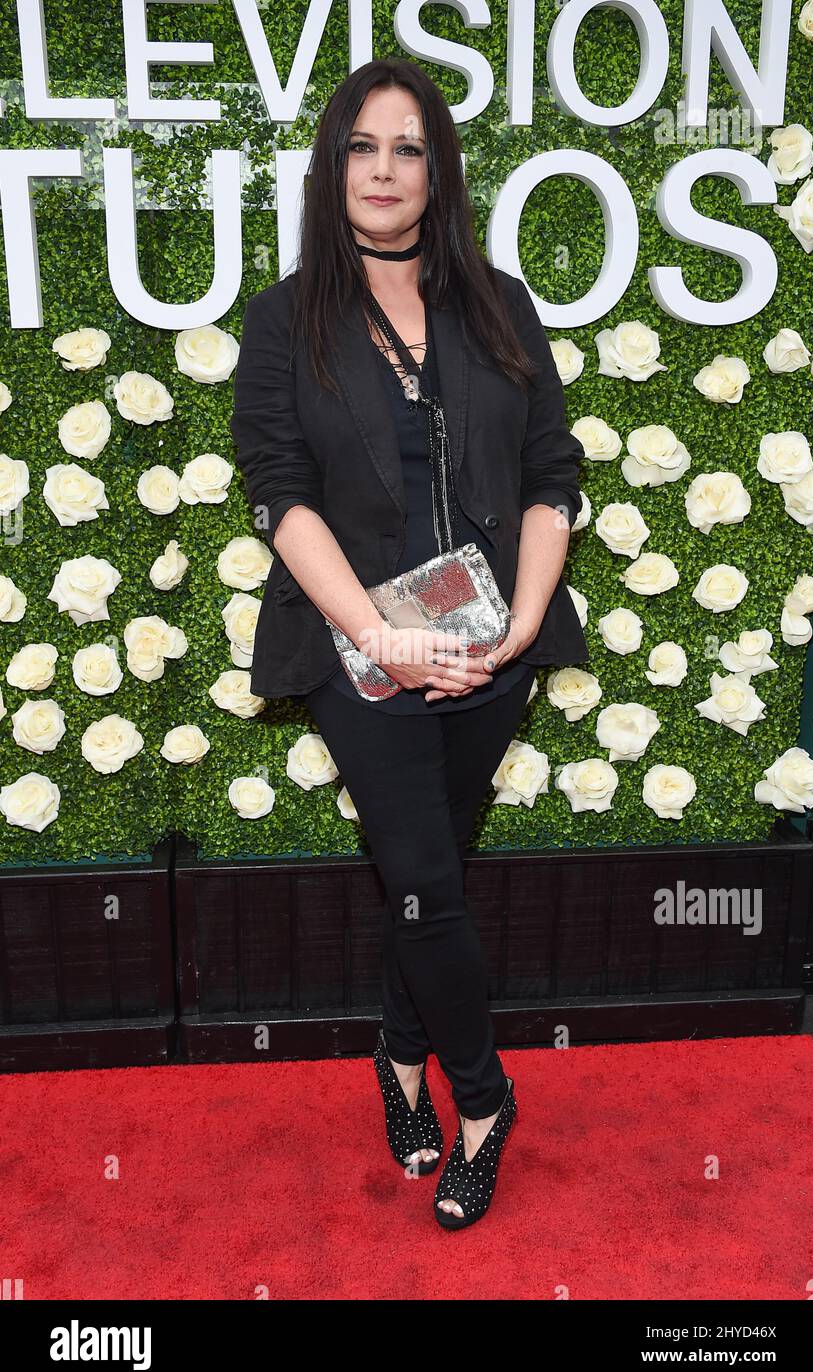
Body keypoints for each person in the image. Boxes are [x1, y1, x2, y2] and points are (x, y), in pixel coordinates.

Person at [230, 57, 588, 1231]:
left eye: (408, 149)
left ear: (438, 172)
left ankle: (396, 1057)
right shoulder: (286, 318)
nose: (383, 171)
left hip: (490, 647)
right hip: (358, 649)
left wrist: (526, 624)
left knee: (424, 876)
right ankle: (483, 1102)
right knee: (429, 884)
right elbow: (280, 494)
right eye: (361, 148)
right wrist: (379, 633)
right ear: (332, 167)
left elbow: (550, 475)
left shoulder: (498, 301)